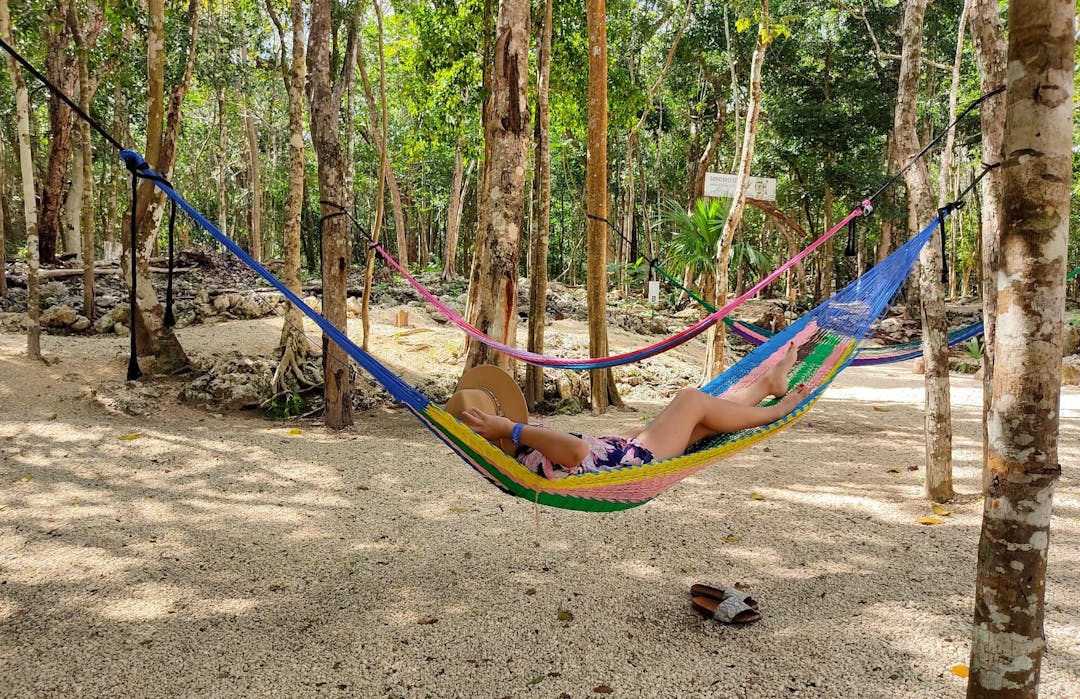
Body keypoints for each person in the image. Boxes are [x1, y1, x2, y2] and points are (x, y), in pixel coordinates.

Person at [446, 342, 808, 479]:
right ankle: (779, 408)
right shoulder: (522, 453)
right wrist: (511, 430)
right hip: (637, 460)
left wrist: (509, 430)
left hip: (627, 449)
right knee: (691, 400)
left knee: (708, 417)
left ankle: (765, 386)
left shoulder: (519, 448)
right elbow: (574, 452)